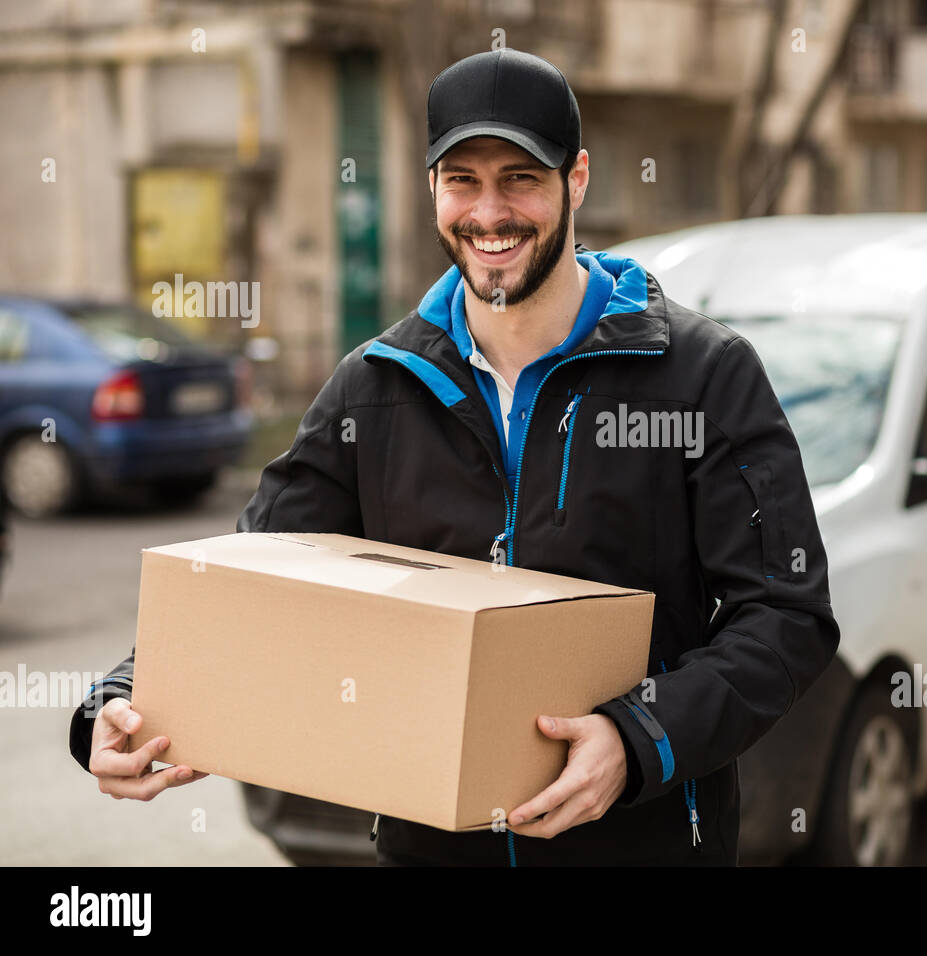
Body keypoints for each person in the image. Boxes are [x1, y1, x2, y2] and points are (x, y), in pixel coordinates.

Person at [69, 47, 839, 866]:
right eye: (463, 179)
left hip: (643, 844)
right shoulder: (373, 389)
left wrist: (637, 738)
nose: (489, 211)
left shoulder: (702, 375)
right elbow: (252, 583)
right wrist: (123, 696)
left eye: (521, 178)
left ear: (576, 180)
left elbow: (788, 616)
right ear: (432, 187)